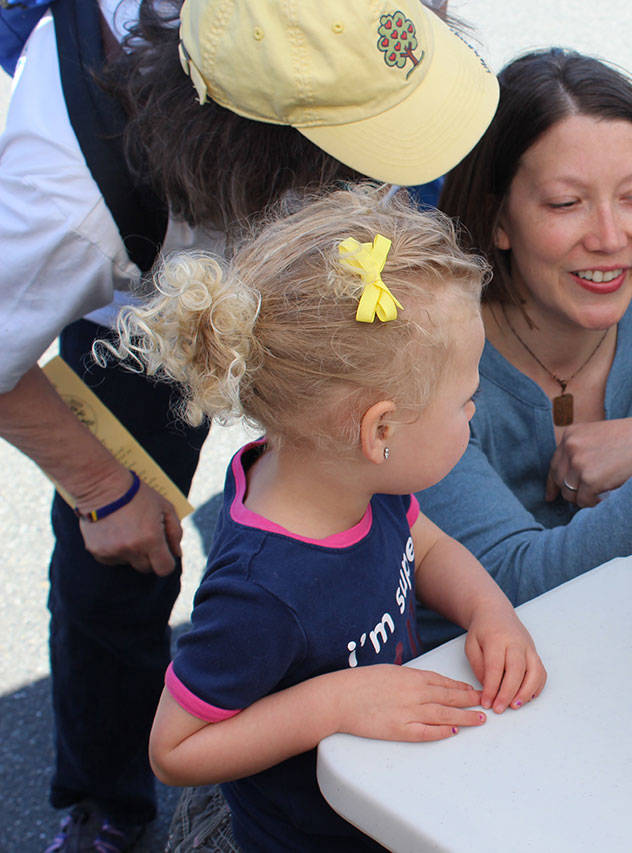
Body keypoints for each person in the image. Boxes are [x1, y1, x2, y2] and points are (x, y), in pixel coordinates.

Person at [0, 0, 497, 848]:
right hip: (144, 308)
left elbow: (420, 530)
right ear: (274, 158)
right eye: (376, 146)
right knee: (117, 564)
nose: (407, 185)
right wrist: (101, 486)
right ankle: (105, 806)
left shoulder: (373, 495)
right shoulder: (62, 203)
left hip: (296, 266)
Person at [99, 183, 545, 851]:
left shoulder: (351, 476)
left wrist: (489, 610)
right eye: (466, 399)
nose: (474, 413)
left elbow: (422, 544)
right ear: (380, 429)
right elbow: (176, 749)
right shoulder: (263, 590)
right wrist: (335, 703)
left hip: (390, 796)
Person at [415, 48, 632, 647]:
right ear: (497, 220)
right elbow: (517, 584)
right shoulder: (426, 369)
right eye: (567, 204)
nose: (611, 238)